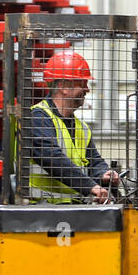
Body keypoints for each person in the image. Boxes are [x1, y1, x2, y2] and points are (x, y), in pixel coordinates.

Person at [25, 50, 118, 204]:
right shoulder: (38, 117)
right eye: (82, 83)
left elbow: (94, 161)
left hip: (74, 207)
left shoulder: (82, 128)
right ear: (63, 87)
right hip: (41, 209)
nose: (87, 89)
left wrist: (104, 174)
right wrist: (90, 187)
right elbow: (51, 158)